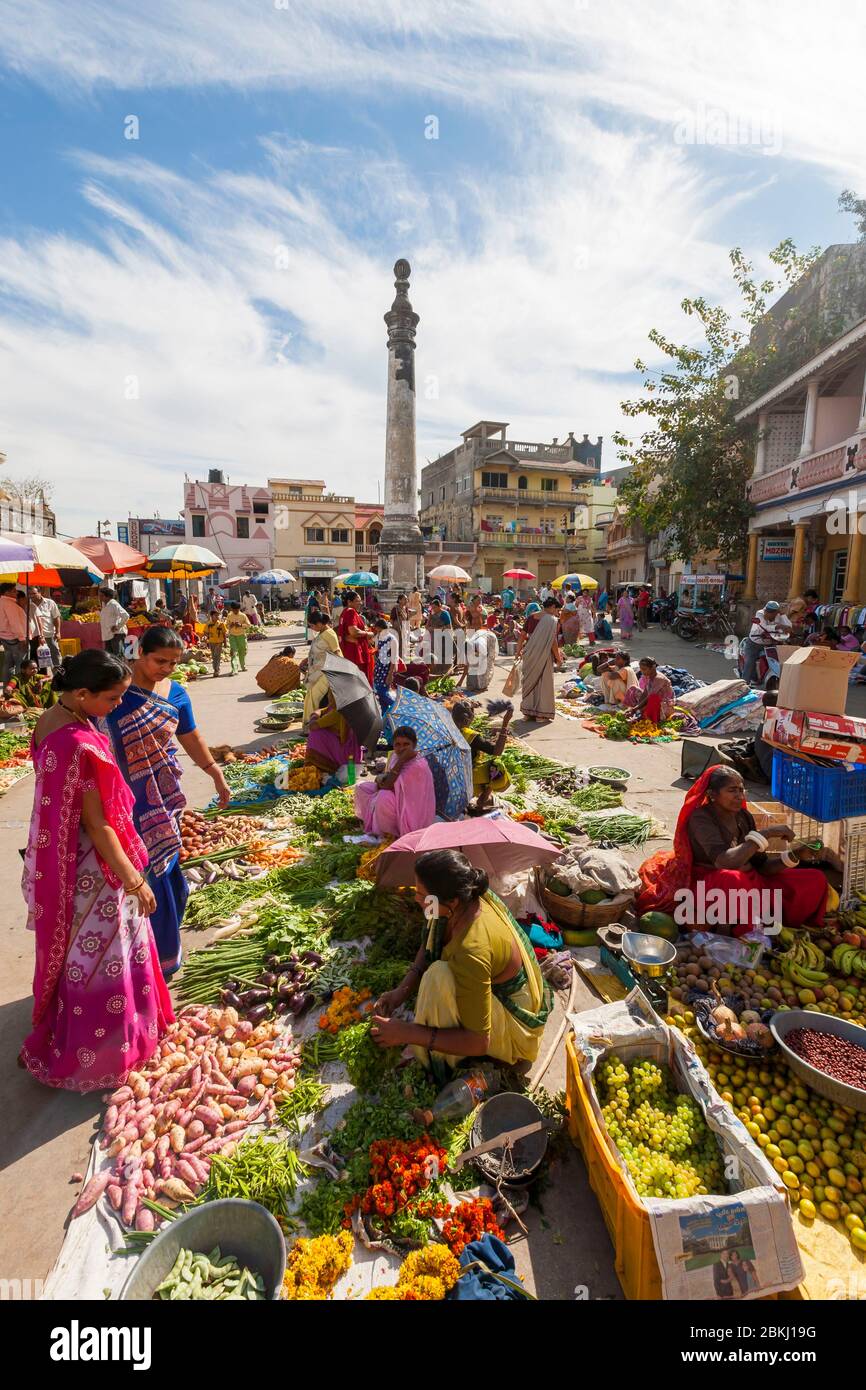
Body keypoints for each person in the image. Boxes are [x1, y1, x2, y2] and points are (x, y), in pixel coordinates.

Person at [20, 650, 173, 1091]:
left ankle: (73, 1028)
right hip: (90, 863)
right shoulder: (78, 742)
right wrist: (134, 879)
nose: (117, 706)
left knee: (72, 952)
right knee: (104, 955)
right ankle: (105, 1051)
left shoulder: (49, 719)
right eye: (111, 698)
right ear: (83, 693)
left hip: (54, 856)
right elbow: (98, 823)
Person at [100, 626, 230, 977]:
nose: (167, 669)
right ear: (140, 651)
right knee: (144, 880)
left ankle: (158, 955)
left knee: (170, 879)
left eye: (174, 662)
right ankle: (151, 961)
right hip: (124, 800)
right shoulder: (115, 691)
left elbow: (189, 735)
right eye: (160, 660)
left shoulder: (176, 693)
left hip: (163, 798)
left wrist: (214, 772)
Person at [370, 851, 551, 1080]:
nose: (416, 899)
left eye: (422, 894)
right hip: (484, 986)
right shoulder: (463, 899)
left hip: (513, 1028)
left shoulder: (471, 949)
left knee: (437, 977)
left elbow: (477, 1041)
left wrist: (408, 1033)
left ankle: (442, 1061)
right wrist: (402, 992)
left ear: (452, 901)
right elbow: (429, 943)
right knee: (438, 973)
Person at [637, 767, 829, 935]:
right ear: (712, 794)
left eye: (741, 790)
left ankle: (764, 919)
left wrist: (795, 855)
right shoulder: (701, 819)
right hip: (713, 884)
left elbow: (761, 866)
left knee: (815, 878)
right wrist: (768, 833)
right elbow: (724, 862)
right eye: (732, 790)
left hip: (750, 883)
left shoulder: (743, 817)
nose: (740, 796)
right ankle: (747, 925)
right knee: (732, 879)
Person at [354, 724, 436, 838]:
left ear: (415, 744)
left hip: (408, 809)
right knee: (361, 787)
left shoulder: (418, 766)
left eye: (406, 744)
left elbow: (387, 786)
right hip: (394, 795)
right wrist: (380, 779)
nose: (401, 748)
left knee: (383, 797)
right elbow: (388, 778)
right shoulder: (394, 756)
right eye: (397, 744)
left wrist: (401, 761)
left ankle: (389, 834)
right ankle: (371, 821)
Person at [451, 699, 512, 810]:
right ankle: (483, 799)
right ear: (467, 719)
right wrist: (505, 724)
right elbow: (497, 752)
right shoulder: (471, 736)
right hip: (467, 779)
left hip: (451, 776)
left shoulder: (447, 731)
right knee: (497, 766)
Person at [516, 597, 561, 722]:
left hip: (529, 653)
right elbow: (553, 642)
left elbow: (522, 635)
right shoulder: (552, 620)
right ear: (552, 607)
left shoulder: (531, 617)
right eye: (556, 609)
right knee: (543, 684)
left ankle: (527, 713)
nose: (557, 613)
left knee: (529, 682)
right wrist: (558, 658)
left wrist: (517, 652)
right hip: (544, 654)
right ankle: (541, 715)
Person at [302, 610, 342, 727]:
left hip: (327, 672)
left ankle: (311, 726)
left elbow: (337, 651)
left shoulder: (330, 634)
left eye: (312, 625)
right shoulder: (321, 633)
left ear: (319, 624)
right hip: (317, 672)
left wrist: (341, 672)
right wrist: (306, 660)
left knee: (314, 697)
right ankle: (308, 724)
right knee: (310, 696)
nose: (312, 628)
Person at [742, 600, 791, 685]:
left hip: (771, 644)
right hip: (754, 644)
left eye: (773, 613)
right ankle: (744, 684)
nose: (769, 614)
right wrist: (779, 626)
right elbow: (764, 627)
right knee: (749, 662)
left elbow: (789, 626)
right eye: (768, 612)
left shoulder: (779, 615)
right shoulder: (760, 613)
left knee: (778, 660)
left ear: (776, 612)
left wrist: (783, 615)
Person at [337, 590, 375, 683]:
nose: (360, 603)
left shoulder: (345, 611)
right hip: (354, 652)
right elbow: (353, 631)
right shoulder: (351, 612)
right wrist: (368, 634)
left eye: (360, 600)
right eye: (357, 601)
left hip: (349, 650)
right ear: (349, 602)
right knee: (359, 681)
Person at [624, 657, 675, 724]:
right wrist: (635, 708)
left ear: (653, 667)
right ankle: (637, 713)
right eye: (641, 669)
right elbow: (645, 692)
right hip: (651, 700)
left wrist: (636, 708)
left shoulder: (659, 678)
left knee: (653, 697)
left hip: (663, 705)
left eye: (644, 669)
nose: (642, 671)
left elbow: (649, 696)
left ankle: (647, 717)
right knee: (633, 689)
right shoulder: (648, 676)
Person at [0, 582, 29, 680]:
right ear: (7, 592)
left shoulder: (3, 602)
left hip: (6, 638)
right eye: (14, 591)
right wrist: (22, 639)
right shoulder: (9, 604)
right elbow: (15, 623)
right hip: (14, 638)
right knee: (21, 664)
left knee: (8, 664)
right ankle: (17, 688)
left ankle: (6, 687)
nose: (16, 592)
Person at [27, 586, 62, 668]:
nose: (32, 596)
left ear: (40, 593)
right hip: (34, 638)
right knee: (37, 660)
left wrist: (58, 632)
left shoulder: (50, 603)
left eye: (34, 593)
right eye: (30, 594)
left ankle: (58, 676)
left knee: (55, 656)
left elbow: (56, 617)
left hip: (49, 635)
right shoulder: (27, 605)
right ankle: (41, 677)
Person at [371, 617, 398, 713]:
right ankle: (385, 718)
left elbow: (394, 659)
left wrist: (390, 674)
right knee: (380, 695)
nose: (378, 632)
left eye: (379, 630)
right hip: (378, 668)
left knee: (383, 693)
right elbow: (376, 652)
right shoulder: (378, 638)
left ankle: (397, 706)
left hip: (387, 669)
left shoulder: (392, 639)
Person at [99, 586, 129, 657]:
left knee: (117, 655)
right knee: (109, 656)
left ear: (107, 596)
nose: (100, 597)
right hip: (108, 634)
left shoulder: (113, 604)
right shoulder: (105, 605)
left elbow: (126, 615)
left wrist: (117, 627)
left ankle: (122, 667)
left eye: (101, 595)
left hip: (116, 634)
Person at [225, 602, 251, 674]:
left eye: (237, 610)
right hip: (232, 636)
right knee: (233, 652)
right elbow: (226, 626)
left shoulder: (243, 615)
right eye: (234, 610)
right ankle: (234, 669)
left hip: (241, 636)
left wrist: (241, 625)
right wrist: (231, 625)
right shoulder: (229, 615)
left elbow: (248, 625)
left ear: (239, 609)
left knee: (242, 652)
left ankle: (243, 666)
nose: (235, 611)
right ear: (232, 609)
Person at [206, 609, 228, 676]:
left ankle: (216, 670)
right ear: (211, 616)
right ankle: (215, 668)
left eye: (218, 615)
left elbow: (224, 633)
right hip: (212, 642)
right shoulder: (208, 624)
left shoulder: (221, 624)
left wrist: (225, 642)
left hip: (219, 642)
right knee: (213, 656)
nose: (217, 617)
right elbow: (205, 632)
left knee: (217, 656)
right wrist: (207, 637)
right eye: (215, 615)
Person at [390, 592, 411, 661]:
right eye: (404, 599)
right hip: (397, 628)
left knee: (404, 644)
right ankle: (397, 659)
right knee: (397, 644)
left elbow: (407, 619)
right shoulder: (395, 609)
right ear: (399, 600)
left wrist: (408, 628)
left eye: (406, 599)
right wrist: (394, 629)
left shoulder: (406, 609)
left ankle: (402, 659)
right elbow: (391, 620)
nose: (406, 601)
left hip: (404, 628)